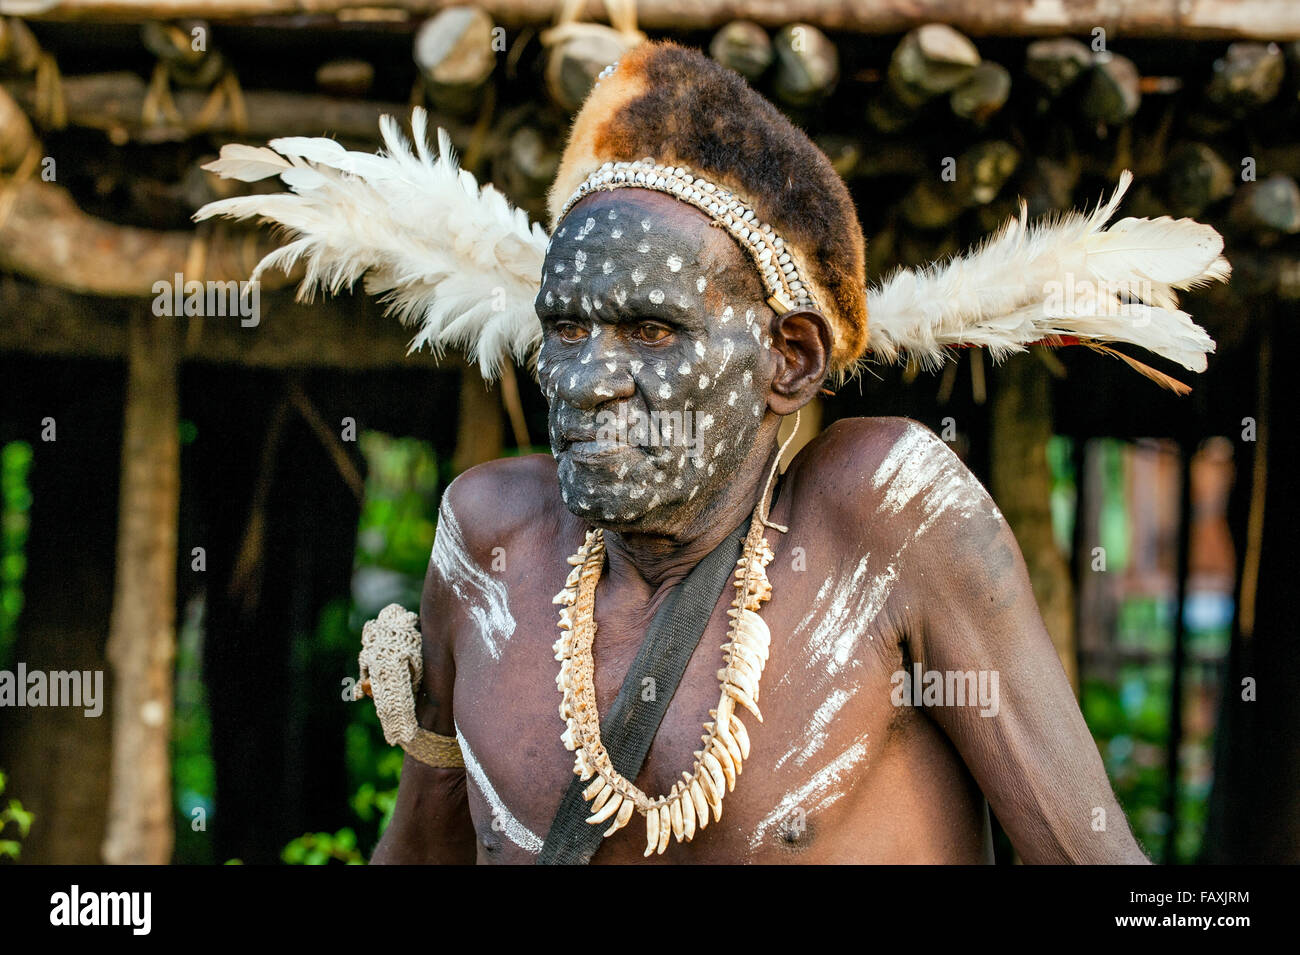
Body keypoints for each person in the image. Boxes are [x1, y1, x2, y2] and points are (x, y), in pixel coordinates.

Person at [198, 41, 1228, 864]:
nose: (589, 376)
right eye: (566, 328)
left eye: (651, 331)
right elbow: (421, 851)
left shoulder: (882, 513)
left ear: (787, 360)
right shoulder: (490, 537)